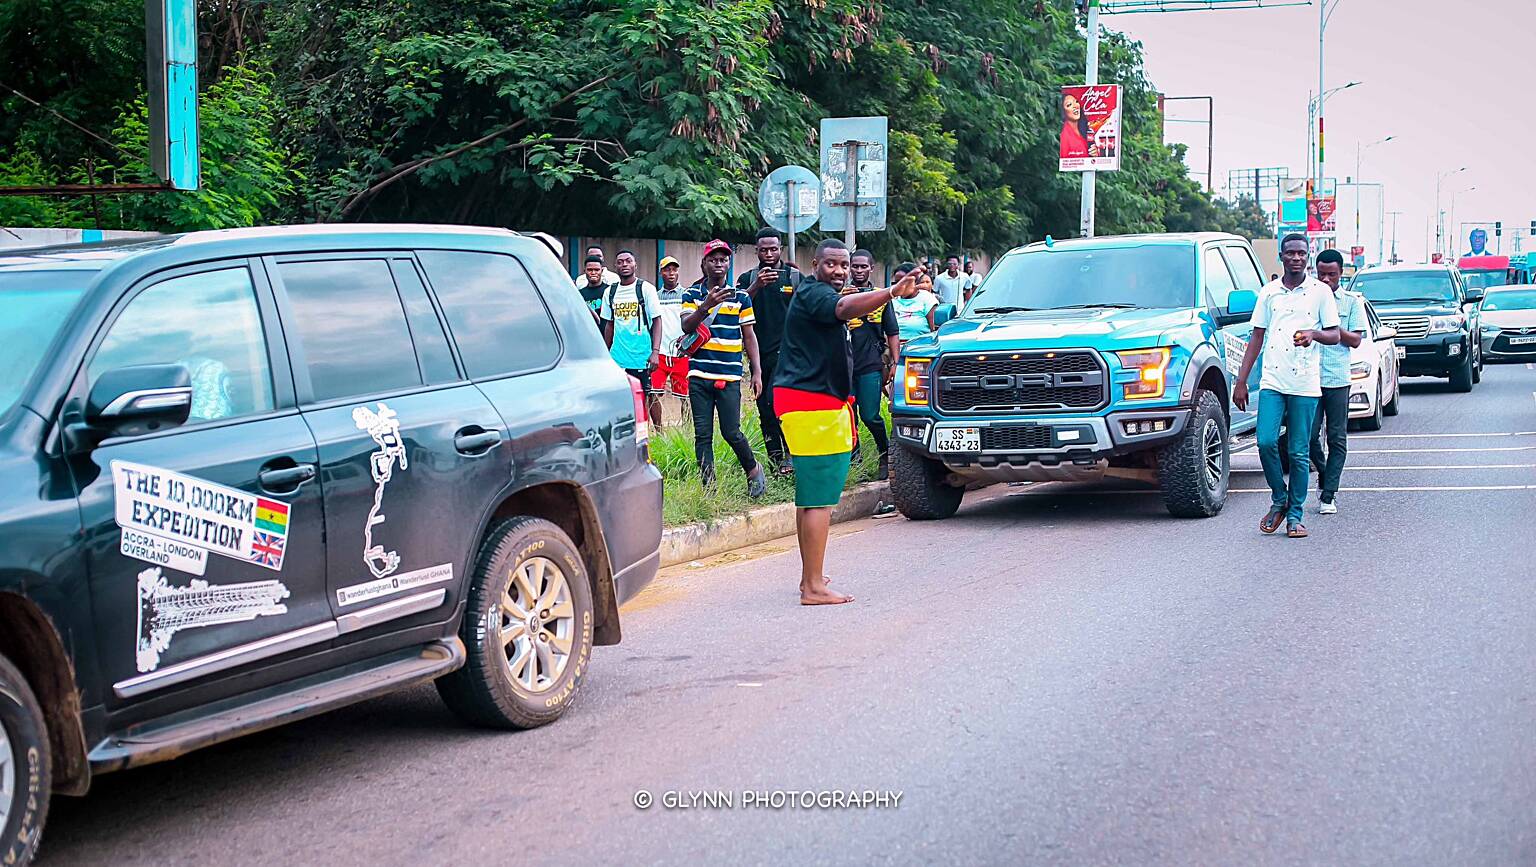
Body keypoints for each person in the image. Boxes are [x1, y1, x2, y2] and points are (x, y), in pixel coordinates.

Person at [775, 240, 924, 605]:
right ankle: (813, 587)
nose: (839, 271)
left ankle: (809, 575)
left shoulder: (815, 292)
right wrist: (890, 292)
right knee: (820, 500)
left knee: (810, 498)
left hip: (812, 403)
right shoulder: (816, 294)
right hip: (813, 406)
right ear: (815, 264)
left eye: (843, 265)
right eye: (831, 264)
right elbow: (842, 308)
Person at [1233, 234, 1342, 539]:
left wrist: (1313, 334)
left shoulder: (1320, 292)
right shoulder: (1269, 293)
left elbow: (1334, 334)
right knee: (1265, 441)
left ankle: (1295, 514)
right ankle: (1279, 499)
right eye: (1290, 253)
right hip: (1273, 380)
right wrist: (1241, 381)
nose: (1296, 258)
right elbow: (1256, 337)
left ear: (1309, 257)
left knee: (1298, 452)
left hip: (1305, 382)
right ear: (1281, 256)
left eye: (1302, 253)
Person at [682, 240, 769, 497]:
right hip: (699, 373)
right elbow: (687, 326)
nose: (718, 264)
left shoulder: (741, 297)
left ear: (728, 264)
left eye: (723, 259)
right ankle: (709, 488)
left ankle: (753, 469)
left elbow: (749, 336)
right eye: (713, 259)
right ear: (704, 264)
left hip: (730, 375)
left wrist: (757, 371)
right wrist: (705, 306)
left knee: (731, 431)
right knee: (703, 435)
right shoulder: (691, 294)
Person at [737, 227, 804, 475]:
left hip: (787, 353)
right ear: (756, 251)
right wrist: (756, 286)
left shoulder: (794, 277)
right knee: (764, 408)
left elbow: (808, 308)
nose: (768, 253)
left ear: (780, 249)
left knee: (779, 404)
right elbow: (736, 306)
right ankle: (775, 462)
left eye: (773, 249)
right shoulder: (747, 279)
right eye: (763, 249)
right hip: (757, 353)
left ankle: (791, 455)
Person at [1309, 248, 1364, 515]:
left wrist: (1331, 328)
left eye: (1332, 274)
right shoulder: (1308, 299)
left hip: (1337, 379)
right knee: (1308, 437)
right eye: (1322, 274)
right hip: (1309, 378)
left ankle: (1329, 494)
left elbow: (1355, 340)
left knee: (1337, 438)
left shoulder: (1351, 302)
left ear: (1341, 274)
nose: (1326, 279)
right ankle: (1324, 473)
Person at [845, 249, 900, 480]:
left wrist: (896, 362)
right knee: (849, 417)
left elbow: (893, 332)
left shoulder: (881, 296)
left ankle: (885, 452)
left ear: (871, 268)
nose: (858, 270)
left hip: (870, 364)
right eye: (854, 266)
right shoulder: (840, 294)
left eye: (862, 266)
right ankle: (854, 461)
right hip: (843, 365)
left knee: (870, 414)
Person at [600, 250, 664, 406]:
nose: (624, 264)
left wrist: (655, 352)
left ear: (635, 265)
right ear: (615, 266)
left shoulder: (646, 289)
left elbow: (657, 321)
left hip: (642, 357)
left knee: (645, 400)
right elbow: (609, 324)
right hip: (618, 358)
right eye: (620, 262)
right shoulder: (610, 292)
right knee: (620, 400)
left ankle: (653, 431)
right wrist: (605, 353)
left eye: (628, 261)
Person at [649, 256, 688, 424]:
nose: (671, 273)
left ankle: (687, 432)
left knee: (686, 395)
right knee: (653, 393)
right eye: (667, 269)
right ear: (661, 273)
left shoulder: (686, 294)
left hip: (682, 352)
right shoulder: (654, 297)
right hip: (661, 353)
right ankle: (659, 432)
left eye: (674, 269)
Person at [889, 261, 940, 343]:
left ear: (915, 282)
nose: (899, 286)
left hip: (918, 349)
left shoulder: (927, 299)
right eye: (896, 283)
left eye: (904, 282)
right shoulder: (891, 300)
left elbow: (934, 332)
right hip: (892, 348)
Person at [1059, 92, 1097, 160]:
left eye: (1076, 101)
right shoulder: (1065, 136)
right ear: (1063, 111)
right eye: (1069, 105)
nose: (1075, 106)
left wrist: (1095, 154)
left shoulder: (1084, 128)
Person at [577, 256, 611, 322]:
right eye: (590, 270)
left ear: (602, 271)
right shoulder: (579, 294)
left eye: (597, 270)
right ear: (585, 271)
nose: (593, 273)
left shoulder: (610, 291)